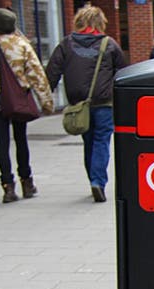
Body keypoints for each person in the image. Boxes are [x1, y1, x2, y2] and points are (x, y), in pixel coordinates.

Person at [0, 8, 54, 203]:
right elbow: (36, 74)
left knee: (2, 143)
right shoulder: (21, 44)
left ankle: (8, 186)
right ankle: (27, 181)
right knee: (21, 139)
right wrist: (46, 101)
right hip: (18, 98)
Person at [45, 4, 126, 203]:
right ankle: (98, 181)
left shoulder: (66, 44)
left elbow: (52, 71)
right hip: (104, 103)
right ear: (101, 23)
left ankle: (93, 178)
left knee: (88, 142)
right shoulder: (109, 44)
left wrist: (46, 95)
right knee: (101, 141)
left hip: (78, 105)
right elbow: (122, 72)